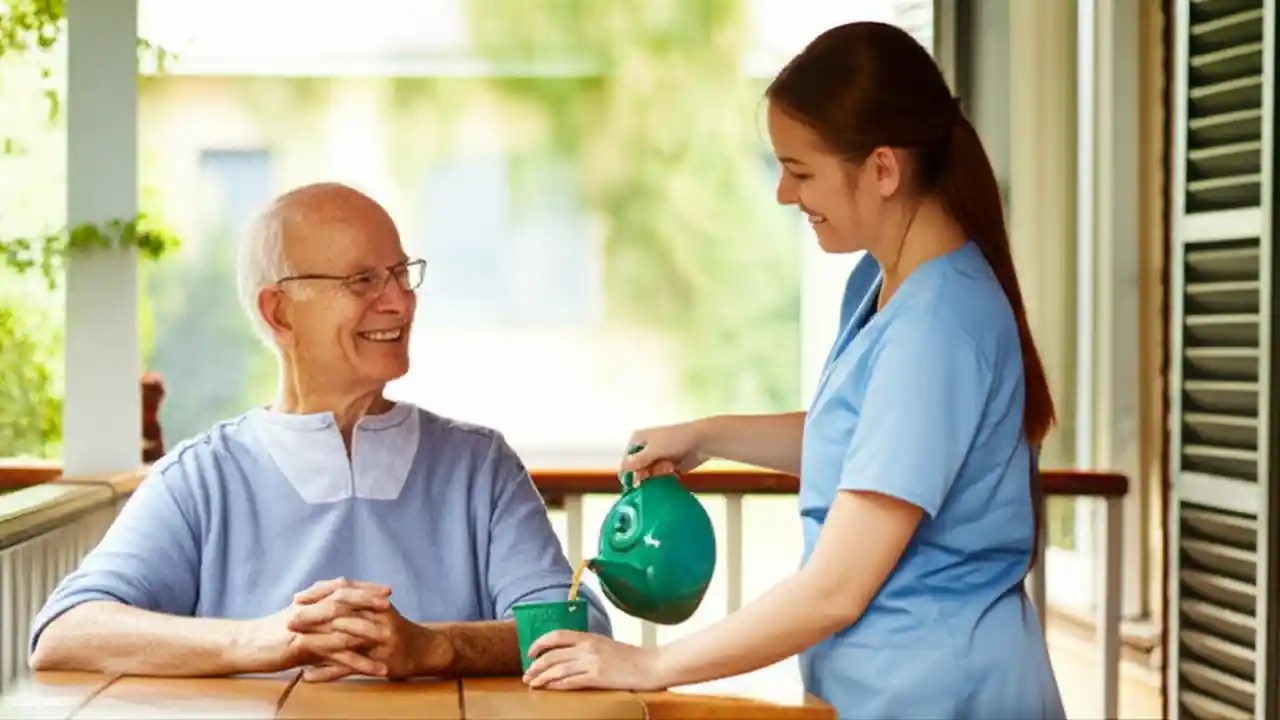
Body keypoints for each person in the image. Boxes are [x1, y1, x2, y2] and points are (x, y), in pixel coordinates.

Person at [520, 21, 1065, 719]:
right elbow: (866, 450)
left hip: (946, 695)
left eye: (800, 170)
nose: (784, 193)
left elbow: (837, 586)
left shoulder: (940, 326)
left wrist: (651, 664)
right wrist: (709, 437)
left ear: (883, 169)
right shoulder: (884, 281)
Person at [28, 182, 611, 681]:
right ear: (279, 312)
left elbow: (576, 628)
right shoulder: (201, 478)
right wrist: (259, 641)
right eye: (363, 281)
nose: (401, 301)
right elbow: (66, 632)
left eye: (401, 273)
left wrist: (434, 647)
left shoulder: (479, 466)